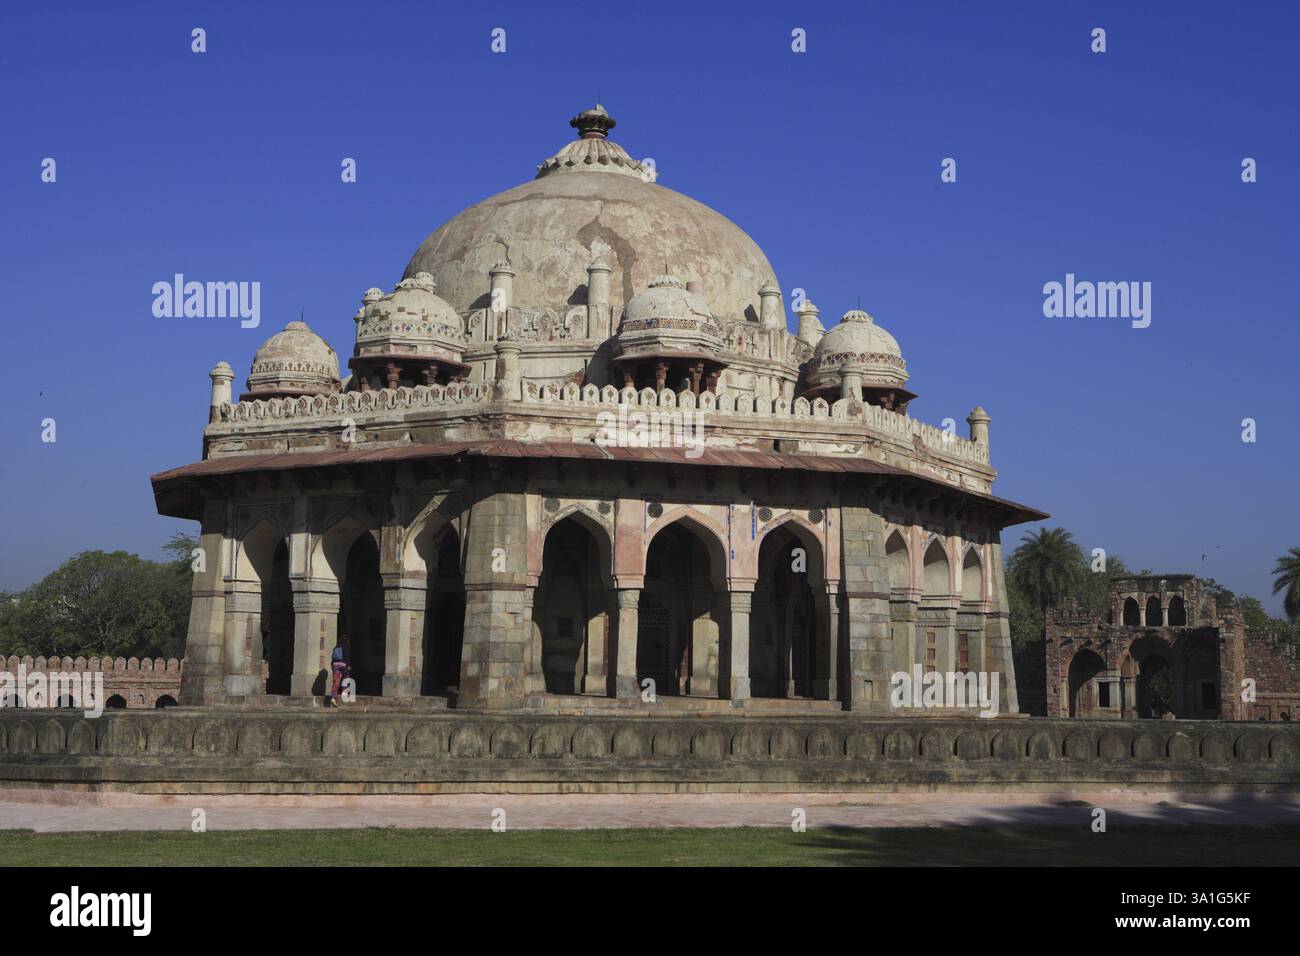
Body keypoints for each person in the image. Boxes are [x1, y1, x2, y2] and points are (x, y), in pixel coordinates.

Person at [328, 638, 350, 708]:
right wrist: (348, 666)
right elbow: (347, 657)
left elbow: (333, 658)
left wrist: (333, 665)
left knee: (336, 682)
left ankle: (333, 698)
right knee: (346, 678)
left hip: (335, 666)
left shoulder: (336, 647)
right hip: (343, 666)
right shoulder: (346, 647)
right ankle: (344, 693)